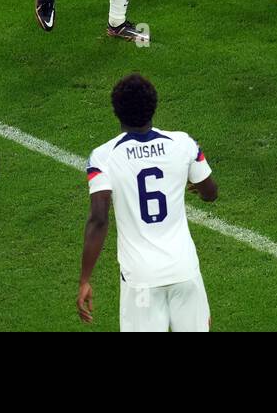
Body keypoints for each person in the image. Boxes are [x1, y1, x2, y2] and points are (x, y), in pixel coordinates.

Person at [78, 74, 218, 332]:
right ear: (153, 106)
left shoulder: (104, 156)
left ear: (116, 111)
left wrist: (85, 279)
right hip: (184, 270)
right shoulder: (183, 144)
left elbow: (98, 218)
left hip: (140, 278)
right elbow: (210, 192)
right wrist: (191, 185)